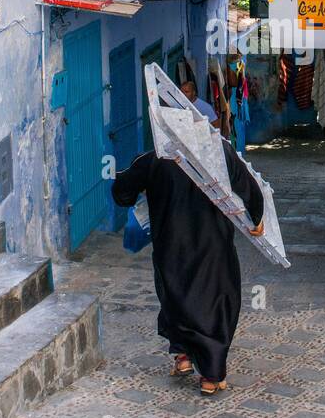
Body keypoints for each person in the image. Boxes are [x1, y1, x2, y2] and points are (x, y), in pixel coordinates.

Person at [111, 136, 265, 395]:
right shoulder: (220, 151)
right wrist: (257, 219)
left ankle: (182, 356)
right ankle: (211, 374)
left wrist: (148, 187)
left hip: (171, 248)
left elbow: (122, 192)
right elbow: (247, 187)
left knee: (176, 297)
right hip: (213, 246)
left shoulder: (155, 159)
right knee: (217, 302)